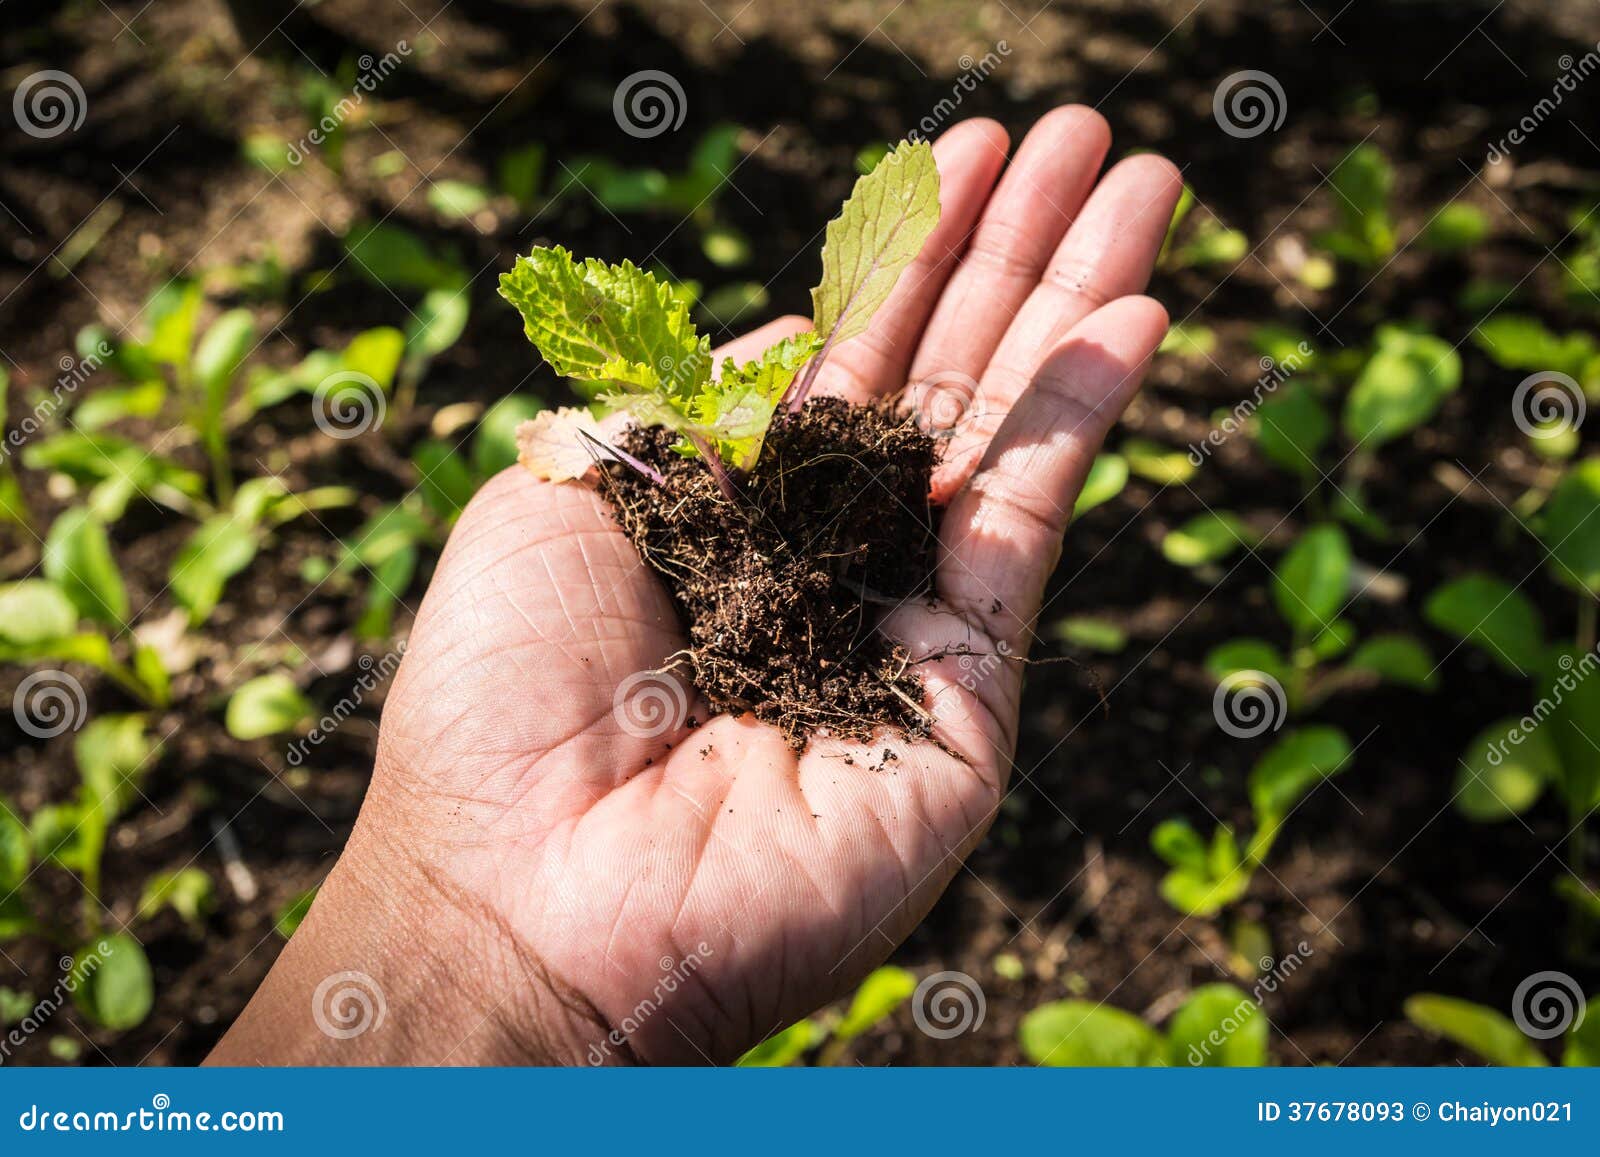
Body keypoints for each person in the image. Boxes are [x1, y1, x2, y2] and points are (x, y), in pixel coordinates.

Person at [208, 106, 1183, 1065]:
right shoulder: (673, 467)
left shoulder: (803, 445)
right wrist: (482, 945)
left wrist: (487, 962)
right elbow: (618, 439)